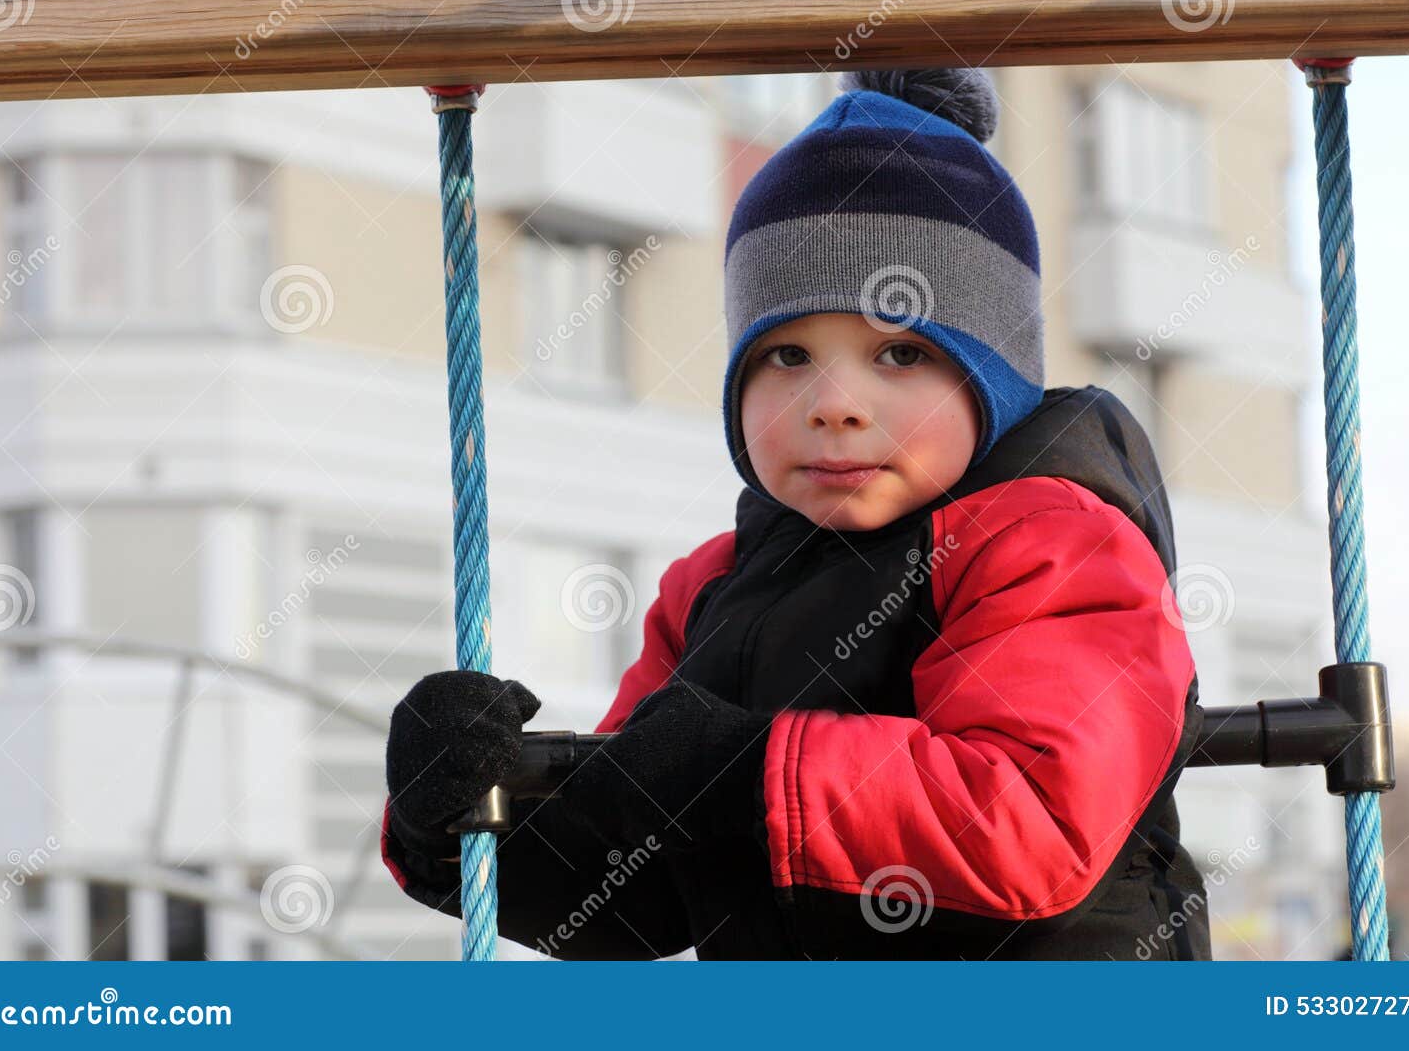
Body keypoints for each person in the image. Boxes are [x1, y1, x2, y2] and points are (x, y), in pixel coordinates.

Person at [381, 66, 1211, 960]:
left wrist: (738, 774)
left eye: (899, 353)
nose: (834, 402)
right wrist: (465, 818)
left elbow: (1036, 820)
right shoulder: (712, 587)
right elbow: (633, 889)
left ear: (994, 384)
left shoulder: (1054, 545)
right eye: (785, 354)